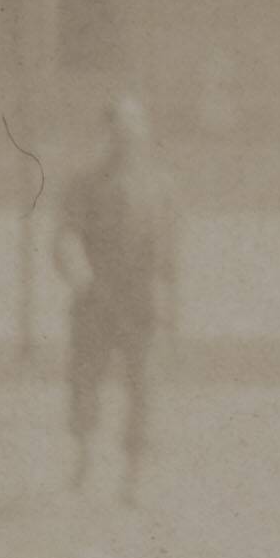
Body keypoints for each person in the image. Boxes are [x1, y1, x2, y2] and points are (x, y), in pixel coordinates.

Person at [52, 92, 176, 503]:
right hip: (96, 298)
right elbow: (66, 233)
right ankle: (84, 463)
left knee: (143, 387)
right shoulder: (83, 182)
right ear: (106, 133)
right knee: (85, 379)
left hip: (140, 302)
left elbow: (171, 252)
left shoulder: (159, 184)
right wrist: (79, 273)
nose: (128, 137)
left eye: (135, 127)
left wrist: (170, 304)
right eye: (119, 128)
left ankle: (133, 476)